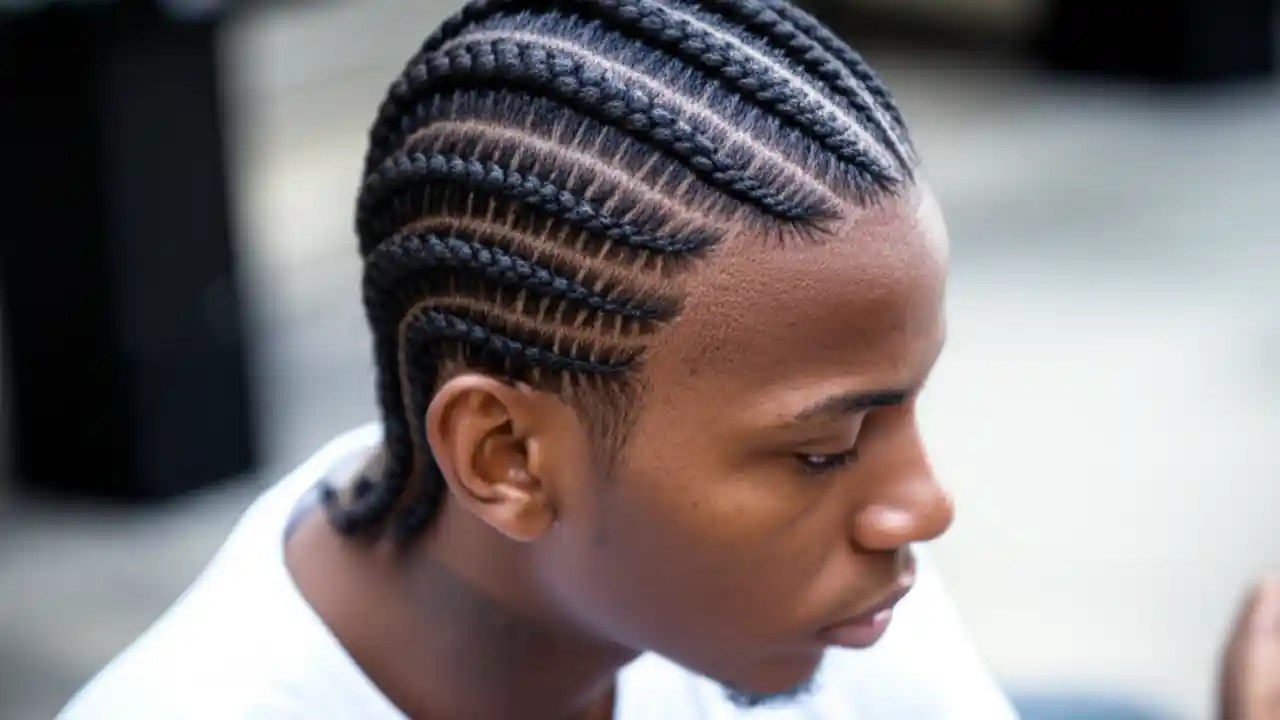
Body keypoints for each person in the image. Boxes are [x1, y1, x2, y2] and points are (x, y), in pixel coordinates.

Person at [56, 1, 1278, 718]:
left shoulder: (824, 600)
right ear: (504, 456)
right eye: (820, 450)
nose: (920, 503)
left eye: (904, 409)